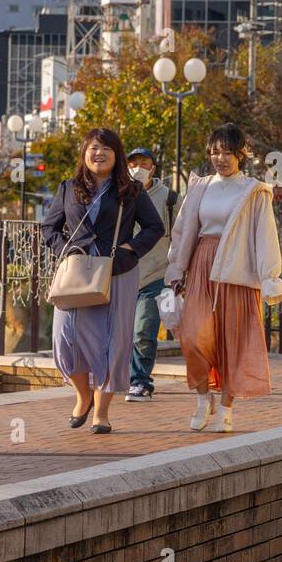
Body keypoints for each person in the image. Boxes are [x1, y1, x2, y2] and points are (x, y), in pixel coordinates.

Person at [165, 124, 282, 432]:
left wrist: (270, 278)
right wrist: (176, 270)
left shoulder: (254, 190)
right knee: (193, 335)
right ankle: (203, 398)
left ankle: (227, 409)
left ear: (241, 154)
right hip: (202, 264)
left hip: (237, 270)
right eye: (215, 151)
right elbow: (182, 231)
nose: (220, 158)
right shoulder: (201, 186)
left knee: (233, 340)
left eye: (227, 152)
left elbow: (265, 235)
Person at [41, 128, 164, 434]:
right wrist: (67, 250)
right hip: (77, 273)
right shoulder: (68, 188)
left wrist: (130, 249)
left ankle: (103, 413)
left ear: (116, 155)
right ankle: (83, 396)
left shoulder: (131, 190)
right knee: (65, 339)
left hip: (116, 273)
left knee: (112, 344)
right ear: (85, 153)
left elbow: (154, 227)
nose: (99, 153)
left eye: (107, 149)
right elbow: (48, 228)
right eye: (94, 148)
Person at [124, 148, 176, 403]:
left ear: (153, 167)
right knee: (119, 332)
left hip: (156, 274)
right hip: (122, 273)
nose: (138, 168)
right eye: (133, 163)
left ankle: (141, 381)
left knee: (143, 330)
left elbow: (182, 235)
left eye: (144, 163)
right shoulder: (120, 194)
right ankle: (116, 377)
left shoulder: (169, 198)